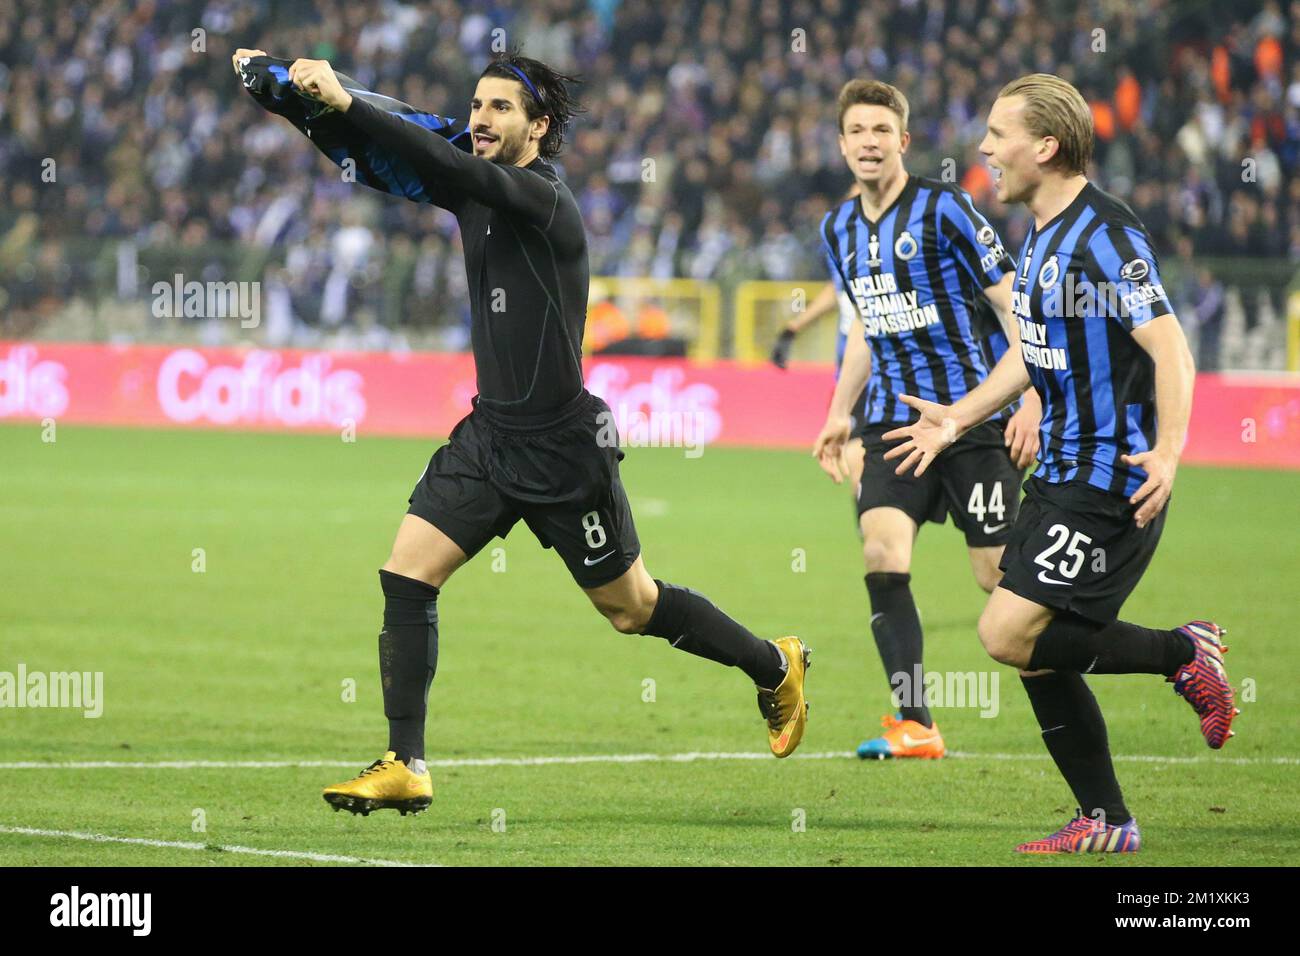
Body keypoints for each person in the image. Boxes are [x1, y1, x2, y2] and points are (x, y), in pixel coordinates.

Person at [232, 48, 810, 817]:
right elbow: (385, 154)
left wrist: (341, 100)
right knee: (407, 573)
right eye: (476, 105)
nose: (480, 118)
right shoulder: (470, 178)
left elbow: (439, 158)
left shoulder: (542, 199)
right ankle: (407, 762)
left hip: (563, 449)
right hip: (490, 436)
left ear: (539, 127)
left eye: (501, 108)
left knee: (631, 609)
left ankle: (773, 662)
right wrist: (285, 94)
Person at [884, 74, 1237, 852]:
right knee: (1037, 652)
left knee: (1006, 632)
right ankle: (1106, 819)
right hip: (1056, 478)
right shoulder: (1042, 237)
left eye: (996, 133)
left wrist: (1171, 451)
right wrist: (959, 417)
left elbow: (1170, 346)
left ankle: (1185, 650)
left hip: (1113, 479)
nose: (982, 149)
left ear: (1044, 146)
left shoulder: (1105, 234)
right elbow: (1032, 353)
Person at [811, 80, 1040, 759]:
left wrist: (1029, 397)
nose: (870, 142)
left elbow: (1013, 305)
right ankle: (916, 723)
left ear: (903, 141)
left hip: (968, 419)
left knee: (998, 579)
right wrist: (837, 415)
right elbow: (864, 333)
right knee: (882, 550)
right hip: (890, 424)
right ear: (843, 143)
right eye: (858, 130)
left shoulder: (945, 210)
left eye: (883, 130)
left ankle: (1103, 659)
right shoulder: (837, 229)